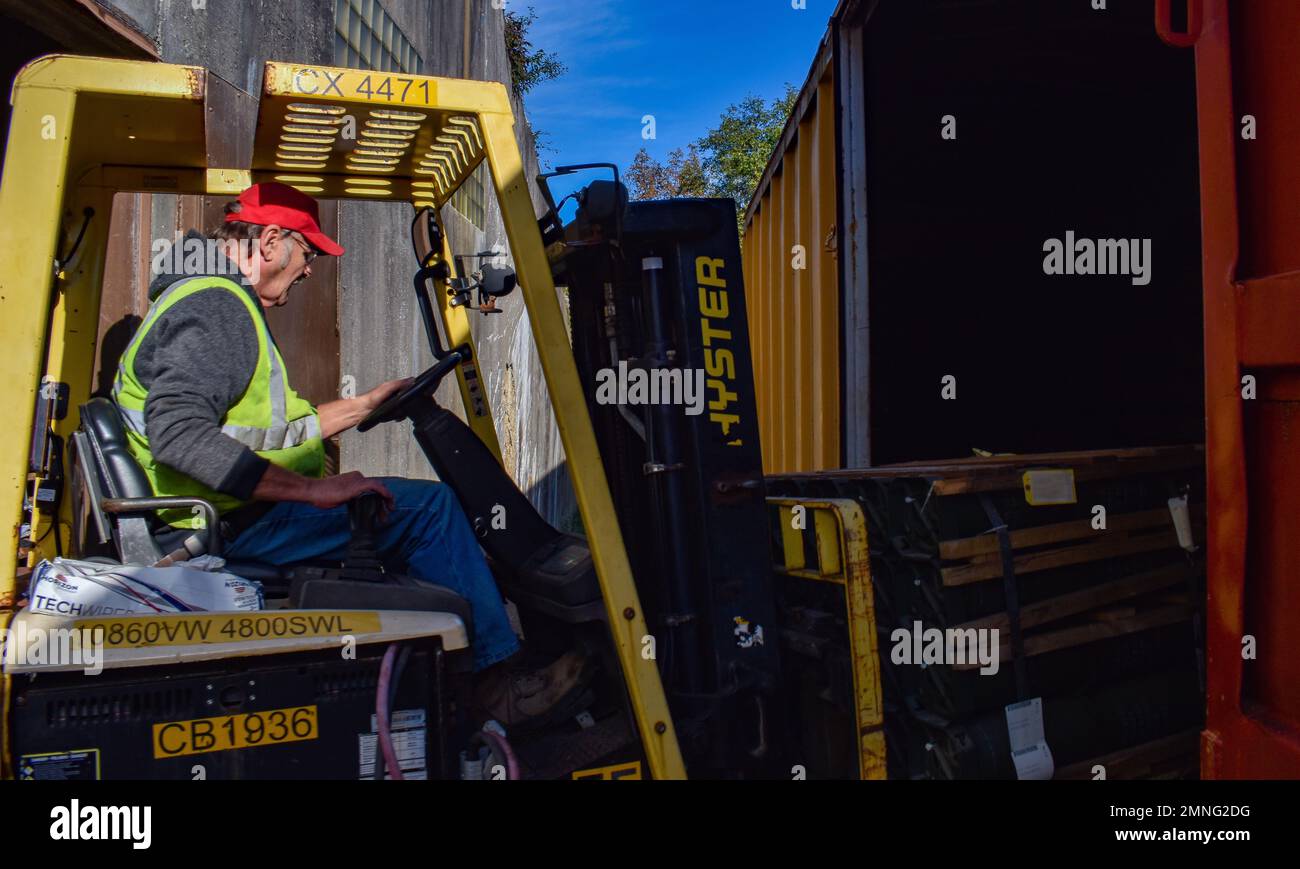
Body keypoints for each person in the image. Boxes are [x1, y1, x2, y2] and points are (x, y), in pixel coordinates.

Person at [111, 181, 587, 724]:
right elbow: (180, 436)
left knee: (400, 507)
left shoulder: (207, 299)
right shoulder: (218, 308)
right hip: (230, 524)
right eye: (308, 251)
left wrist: (363, 405)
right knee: (429, 512)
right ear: (270, 241)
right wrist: (315, 492)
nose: (310, 267)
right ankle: (494, 688)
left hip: (226, 510)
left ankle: (440, 670)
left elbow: (276, 431)